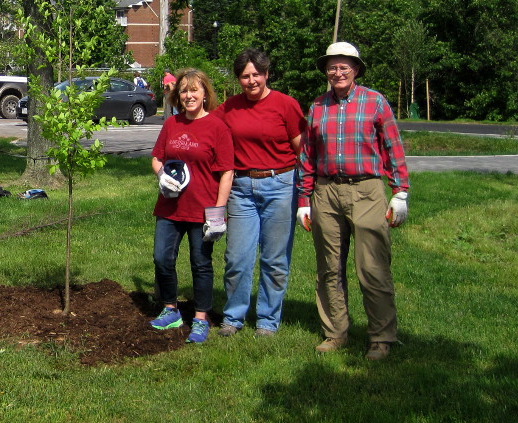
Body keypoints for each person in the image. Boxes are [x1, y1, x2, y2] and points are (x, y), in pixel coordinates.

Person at [296, 42, 410, 361]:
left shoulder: (375, 102)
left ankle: (382, 337)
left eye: (344, 66)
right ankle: (335, 332)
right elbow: (307, 157)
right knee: (329, 267)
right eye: (332, 67)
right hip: (326, 192)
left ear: (356, 69)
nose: (338, 72)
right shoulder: (318, 107)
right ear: (326, 72)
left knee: (372, 265)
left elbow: (393, 147)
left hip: (367, 191)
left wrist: (400, 192)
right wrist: (304, 199)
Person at [212, 49, 306, 338]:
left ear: (266, 74)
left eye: (256, 74)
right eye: (244, 76)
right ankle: (234, 316)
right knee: (237, 258)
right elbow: (205, 124)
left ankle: (267, 319)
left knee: (275, 260)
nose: (251, 81)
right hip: (241, 190)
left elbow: (302, 148)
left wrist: (307, 191)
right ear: (238, 78)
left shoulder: (286, 105)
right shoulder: (229, 108)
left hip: (280, 186)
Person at [149, 68, 234, 343]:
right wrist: (162, 175)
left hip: (203, 208)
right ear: (178, 95)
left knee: (200, 263)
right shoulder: (171, 125)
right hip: (170, 207)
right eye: (184, 91)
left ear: (205, 93)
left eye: (194, 90)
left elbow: (227, 172)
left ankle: (200, 317)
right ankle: (171, 308)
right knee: (162, 258)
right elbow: (156, 157)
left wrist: (219, 211)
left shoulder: (217, 127)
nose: (189, 95)